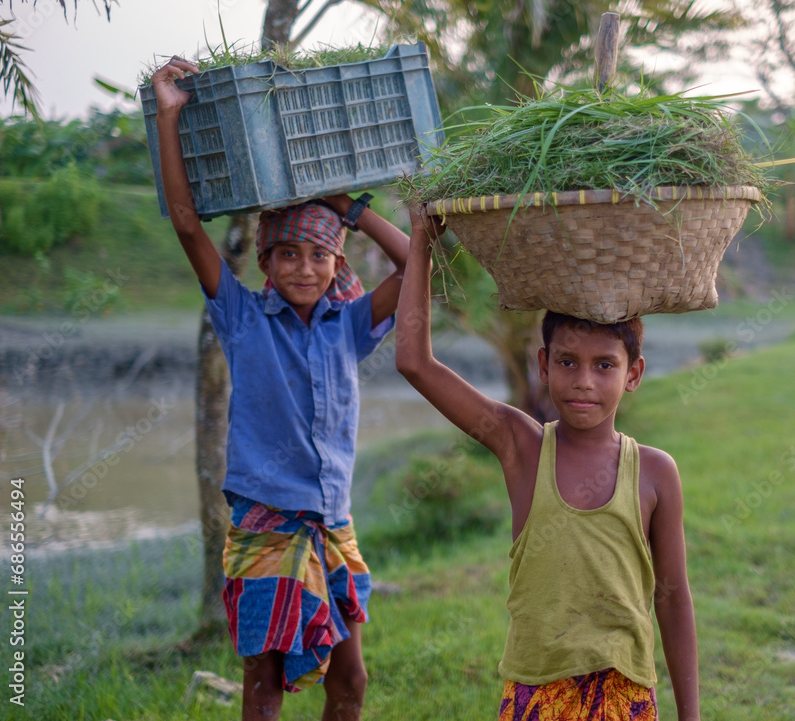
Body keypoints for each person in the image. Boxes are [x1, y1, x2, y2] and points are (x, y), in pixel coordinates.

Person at [151, 58, 410, 721]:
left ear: (336, 266)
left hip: (333, 523)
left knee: (351, 679)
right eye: (288, 254)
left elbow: (417, 264)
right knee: (263, 683)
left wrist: (351, 209)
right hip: (265, 525)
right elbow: (186, 225)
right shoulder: (242, 317)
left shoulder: (350, 327)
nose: (303, 267)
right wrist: (170, 112)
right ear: (265, 262)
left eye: (318, 255)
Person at [395, 210, 700, 721]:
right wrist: (422, 240)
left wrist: (690, 716)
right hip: (536, 694)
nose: (584, 381)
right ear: (543, 366)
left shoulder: (654, 472)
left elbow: (673, 600)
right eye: (567, 362)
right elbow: (414, 363)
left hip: (623, 698)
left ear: (634, 374)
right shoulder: (523, 448)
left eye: (605, 365)